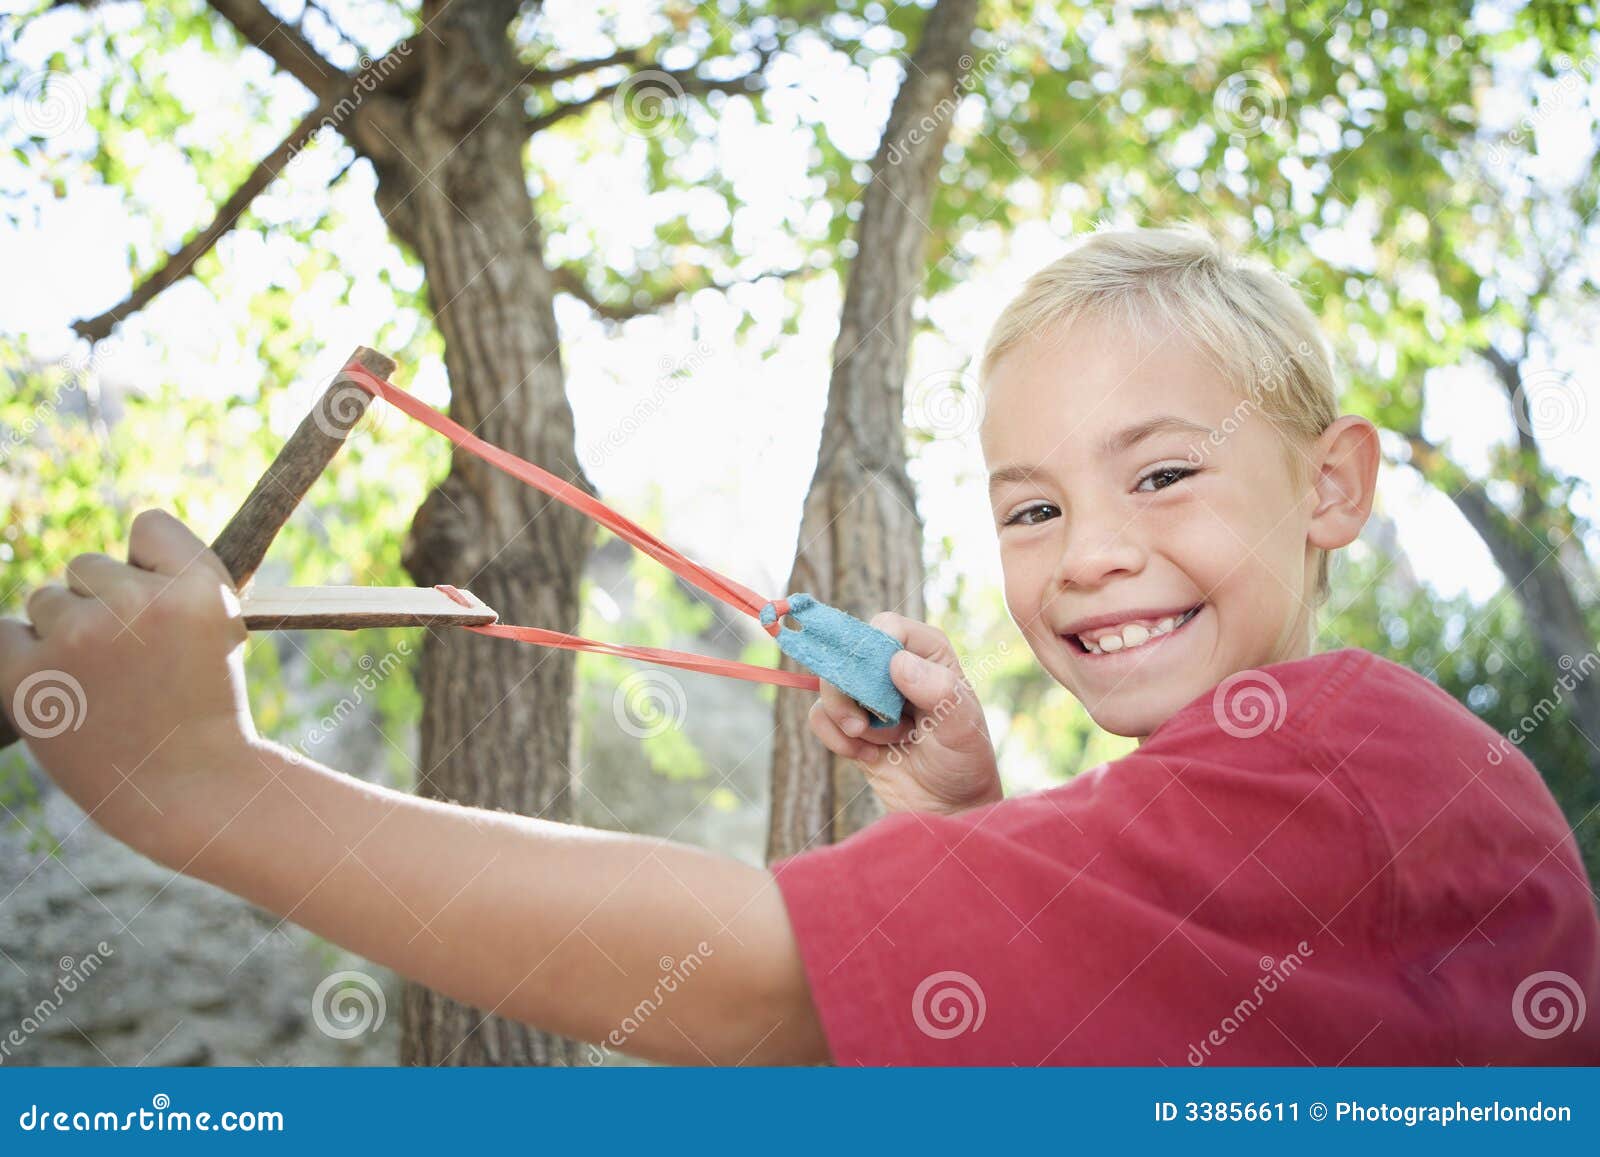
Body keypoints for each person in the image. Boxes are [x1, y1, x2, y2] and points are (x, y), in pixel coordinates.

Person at [4, 228, 1596, 1065]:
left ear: (1334, 487)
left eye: (1162, 473)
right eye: (1028, 507)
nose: (1090, 547)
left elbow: (751, 986)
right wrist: (967, 831)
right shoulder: (1278, 804)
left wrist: (205, 788)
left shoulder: (1347, 748)